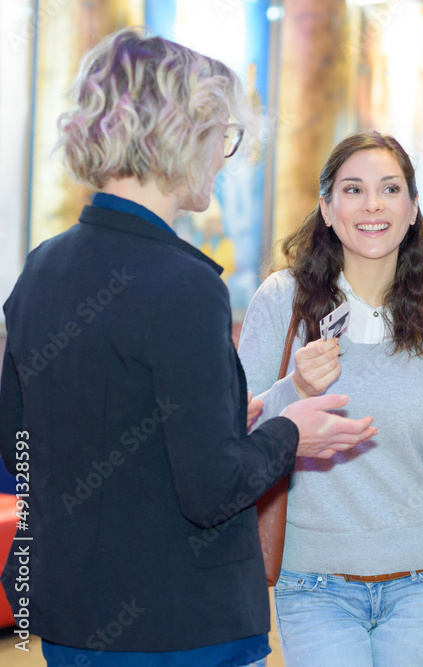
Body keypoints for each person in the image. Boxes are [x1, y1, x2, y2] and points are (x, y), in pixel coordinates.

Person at [0, 28, 376, 666]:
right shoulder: (183, 283)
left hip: (70, 619)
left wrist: (220, 426)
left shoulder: (42, 266)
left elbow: (20, 441)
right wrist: (289, 433)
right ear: (180, 134)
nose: (224, 157)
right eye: (222, 134)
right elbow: (211, 490)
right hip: (182, 626)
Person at [238, 131, 423, 666]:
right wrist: (296, 389)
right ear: (327, 209)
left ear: (411, 211)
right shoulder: (283, 301)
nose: (372, 205)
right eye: (353, 189)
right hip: (314, 584)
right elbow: (234, 431)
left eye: (389, 189)